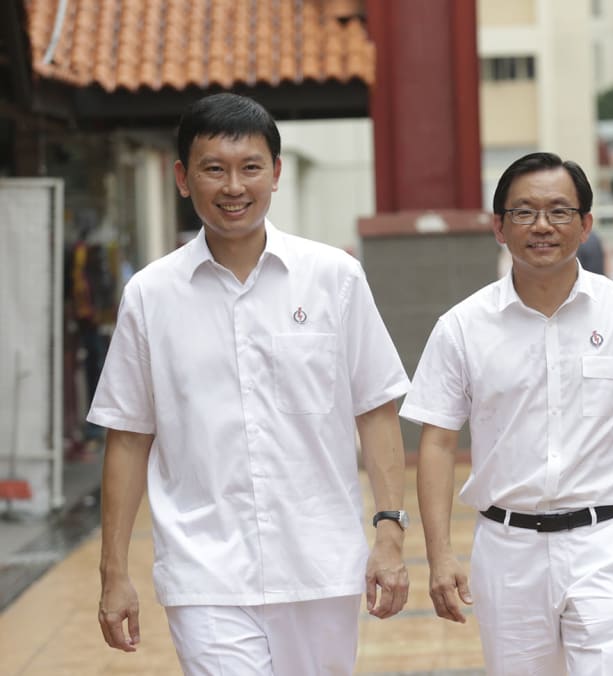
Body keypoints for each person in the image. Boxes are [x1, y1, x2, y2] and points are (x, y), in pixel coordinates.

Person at [89, 93, 411, 675]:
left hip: (319, 562)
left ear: (277, 174)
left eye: (250, 168)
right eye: (214, 169)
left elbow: (376, 409)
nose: (233, 186)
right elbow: (128, 437)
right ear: (183, 179)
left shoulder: (333, 278)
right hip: (203, 570)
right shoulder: (151, 295)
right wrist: (114, 573)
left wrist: (390, 531)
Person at [401, 151, 613, 675]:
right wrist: (439, 555)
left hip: (603, 543)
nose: (542, 225)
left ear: (585, 225)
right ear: (499, 226)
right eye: (524, 212)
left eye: (560, 211)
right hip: (507, 550)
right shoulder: (462, 327)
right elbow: (438, 442)